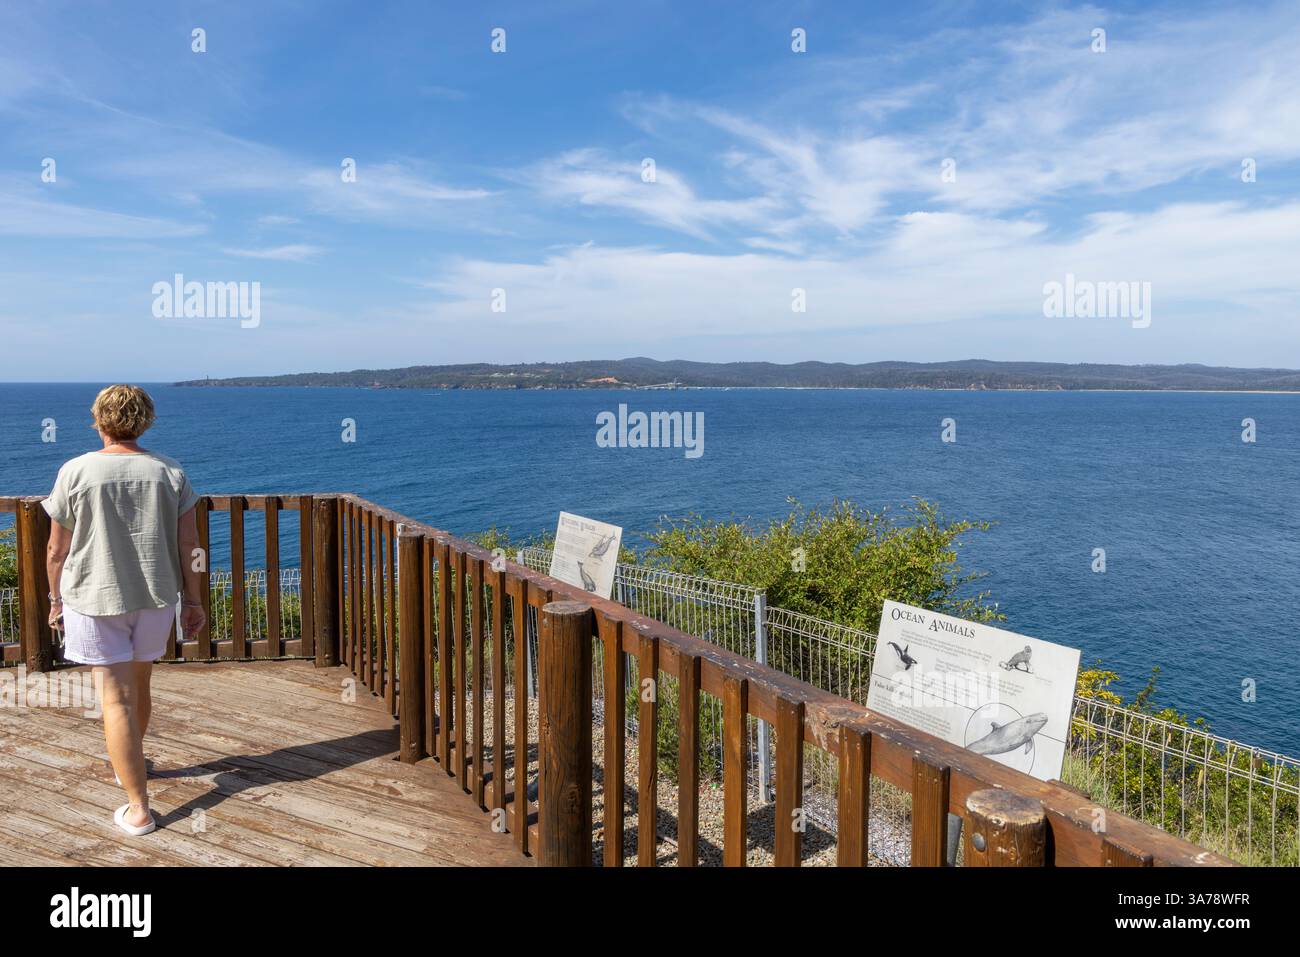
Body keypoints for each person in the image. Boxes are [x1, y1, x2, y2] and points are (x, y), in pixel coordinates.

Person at [43, 384, 205, 836]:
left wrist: (55, 600)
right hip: (154, 596)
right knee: (140, 686)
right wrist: (193, 599)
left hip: (94, 599)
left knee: (114, 700)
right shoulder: (169, 472)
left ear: (98, 420)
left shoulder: (75, 471)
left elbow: (57, 549)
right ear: (146, 420)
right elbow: (190, 546)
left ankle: (138, 806)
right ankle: (131, 763)